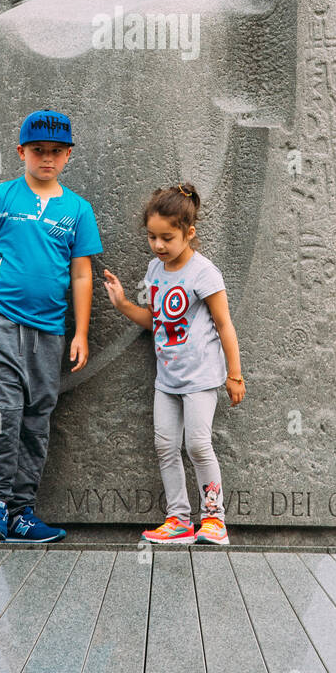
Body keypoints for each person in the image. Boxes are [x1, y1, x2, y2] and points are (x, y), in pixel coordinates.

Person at [0, 109, 102, 543]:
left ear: (69, 155)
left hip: (50, 331)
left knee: (37, 419)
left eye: (56, 152)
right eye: (38, 151)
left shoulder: (77, 210)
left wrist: (80, 332)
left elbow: (81, 275)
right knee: (4, 413)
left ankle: (22, 510)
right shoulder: (1, 197)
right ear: (21, 152)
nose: (47, 159)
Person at [103, 183, 244, 546]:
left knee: (198, 445)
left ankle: (214, 519)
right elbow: (156, 321)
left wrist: (235, 374)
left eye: (167, 237)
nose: (159, 245)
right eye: (152, 237)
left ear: (189, 233)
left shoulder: (204, 272)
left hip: (201, 378)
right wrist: (121, 303)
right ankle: (179, 520)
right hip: (166, 379)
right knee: (165, 447)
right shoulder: (154, 270)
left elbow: (225, 324)